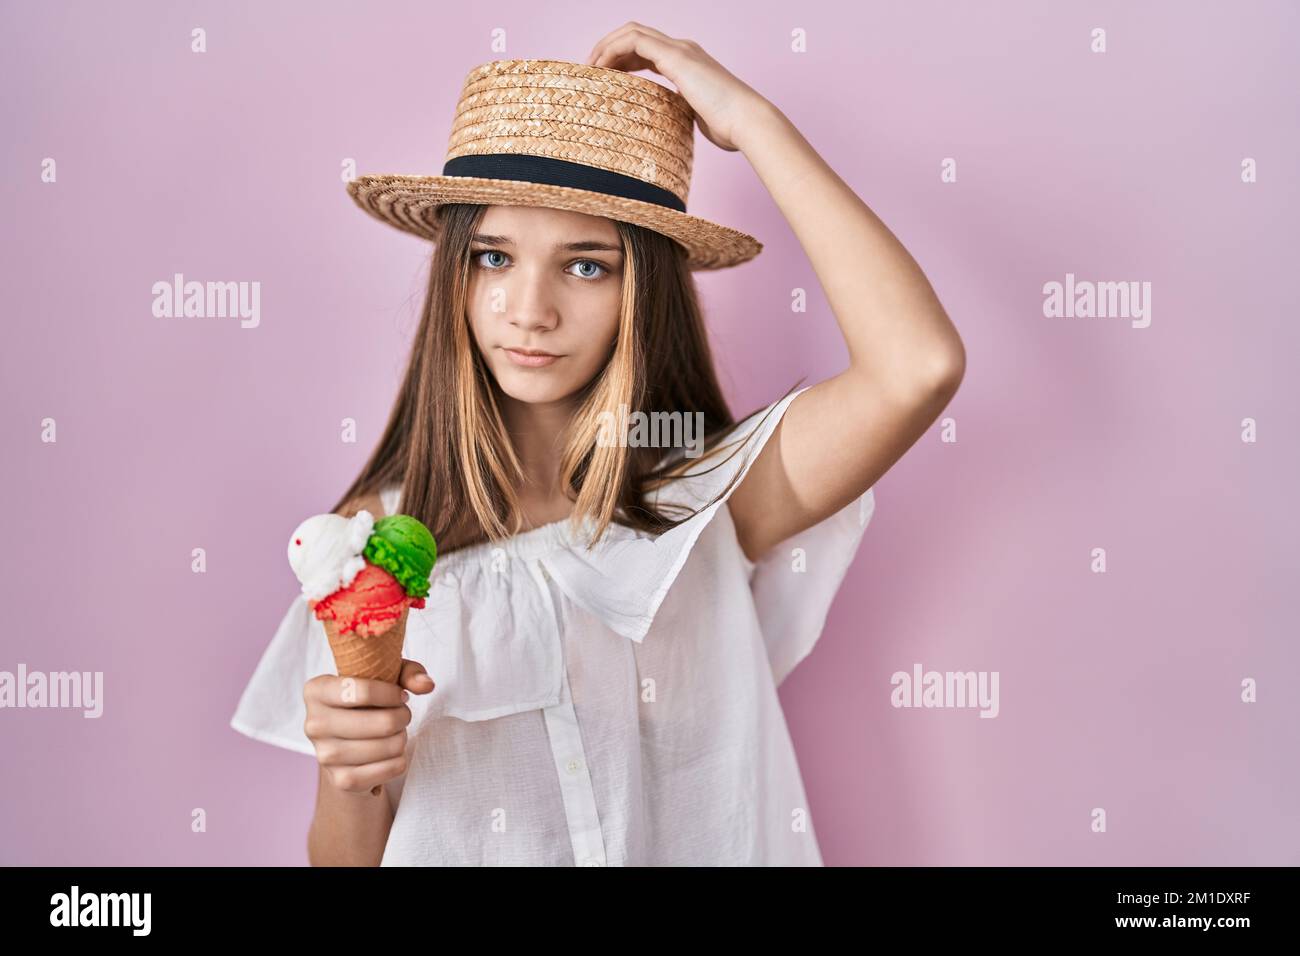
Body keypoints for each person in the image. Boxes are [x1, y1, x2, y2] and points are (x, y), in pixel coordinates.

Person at [230, 25, 965, 866]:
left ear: (645, 291)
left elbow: (919, 367)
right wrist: (350, 772)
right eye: (493, 258)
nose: (529, 311)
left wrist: (752, 122)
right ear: (453, 273)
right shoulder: (374, 545)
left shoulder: (708, 499)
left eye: (587, 266)